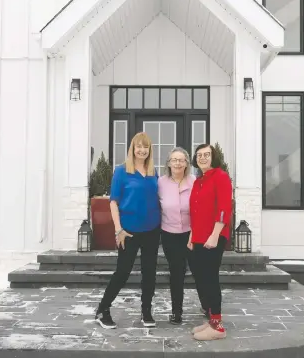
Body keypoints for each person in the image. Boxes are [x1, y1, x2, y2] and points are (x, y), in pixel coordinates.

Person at [95, 132, 161, 329]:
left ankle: (146, 311)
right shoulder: (121, 171)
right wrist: (118, 230)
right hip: (128, 231)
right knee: (122, 272)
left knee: (150, 273)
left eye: (146, 147)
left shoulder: (153, 172)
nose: (142, 150)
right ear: (132, 148)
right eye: (138, 146)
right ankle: (102, 309)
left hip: (152, 230)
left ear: (150, 150)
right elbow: (113, 202)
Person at [188, 143, 233, 341]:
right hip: (198, 237)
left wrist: (215, 234)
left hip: (213, 237)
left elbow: (224, 207)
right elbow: (195, 212)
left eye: (207, 154)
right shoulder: (198, 182)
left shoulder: (221, 177)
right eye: (199, 155)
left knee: (211, 278)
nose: (203, 158)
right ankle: (211, 319)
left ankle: (218, 327)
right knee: (203, 279)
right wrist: (191, 235)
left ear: (213, 157)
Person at [158, 147, 195, 324]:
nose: (178, 163)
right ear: (169, 163)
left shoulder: (194, 182)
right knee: (176, 272)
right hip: (169, 234)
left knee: (199, 271)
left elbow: (199, 210)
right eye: (174, 160)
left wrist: (194, 233)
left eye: (181, 160)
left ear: (186, 163)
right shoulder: (161, 183)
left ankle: (208, 306)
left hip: (191, 233)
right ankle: (176, 311)